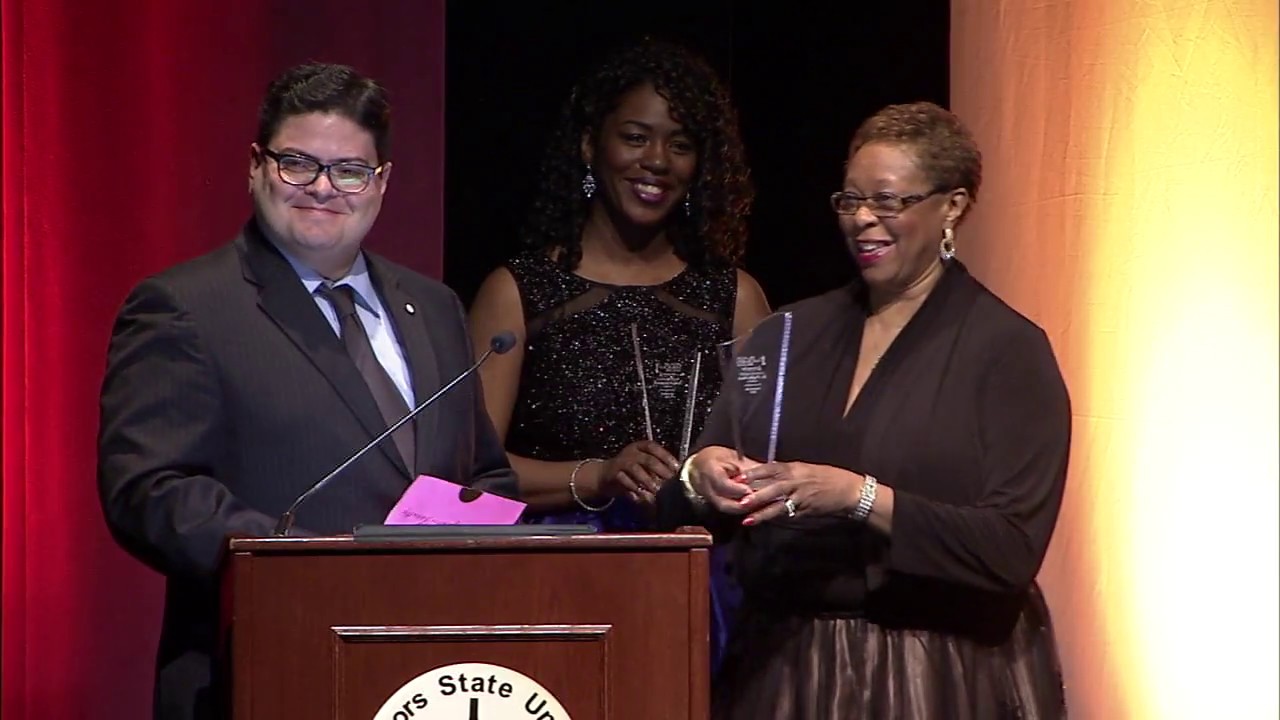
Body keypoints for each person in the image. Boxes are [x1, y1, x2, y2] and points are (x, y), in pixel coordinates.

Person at [96, 62, 515, 720]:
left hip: (430, 670)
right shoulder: (185, 307)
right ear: (257, 166)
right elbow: (148, 487)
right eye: (298, 163)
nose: (323, 189)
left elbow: (482, 471)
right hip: (263, 668)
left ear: (381, 184)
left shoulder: (433, 308)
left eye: (348, 170)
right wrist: (298, 564)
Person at [660, 101, 1071, 719]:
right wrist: (702, 475)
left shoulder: (1008, 350)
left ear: (952, 206)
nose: (862, 220)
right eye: (849, 200)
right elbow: (691, 498)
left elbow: (1010, 550)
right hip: (784, 672)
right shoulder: (788, 334)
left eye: (888, 201)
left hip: (937, 677)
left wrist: (860, 497)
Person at [466, 38, 770, 665]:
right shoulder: (517, 292)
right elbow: (473, 473)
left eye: (680, 144)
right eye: (635, 137)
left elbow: (769, 459)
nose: (656, 160)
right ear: (589, 145)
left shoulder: (733, 297)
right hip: (557, 588)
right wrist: (600, 475)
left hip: (706, 593)